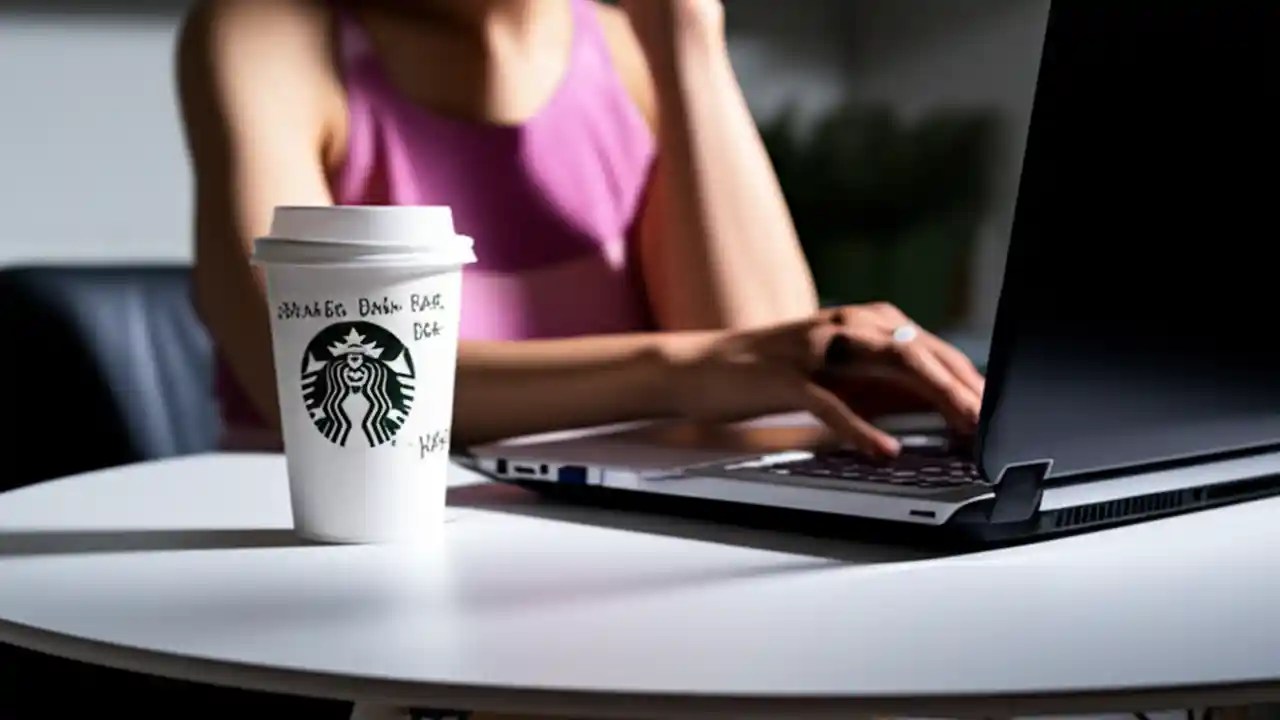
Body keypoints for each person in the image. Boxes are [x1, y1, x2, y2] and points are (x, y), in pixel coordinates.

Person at [177, 0, 984, 466]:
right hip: (329, 579)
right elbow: (302, 374)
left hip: (594, 560)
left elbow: (770, 403)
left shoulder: (633, 47)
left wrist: (686, 39)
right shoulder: (269, 33)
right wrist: (687, 370)